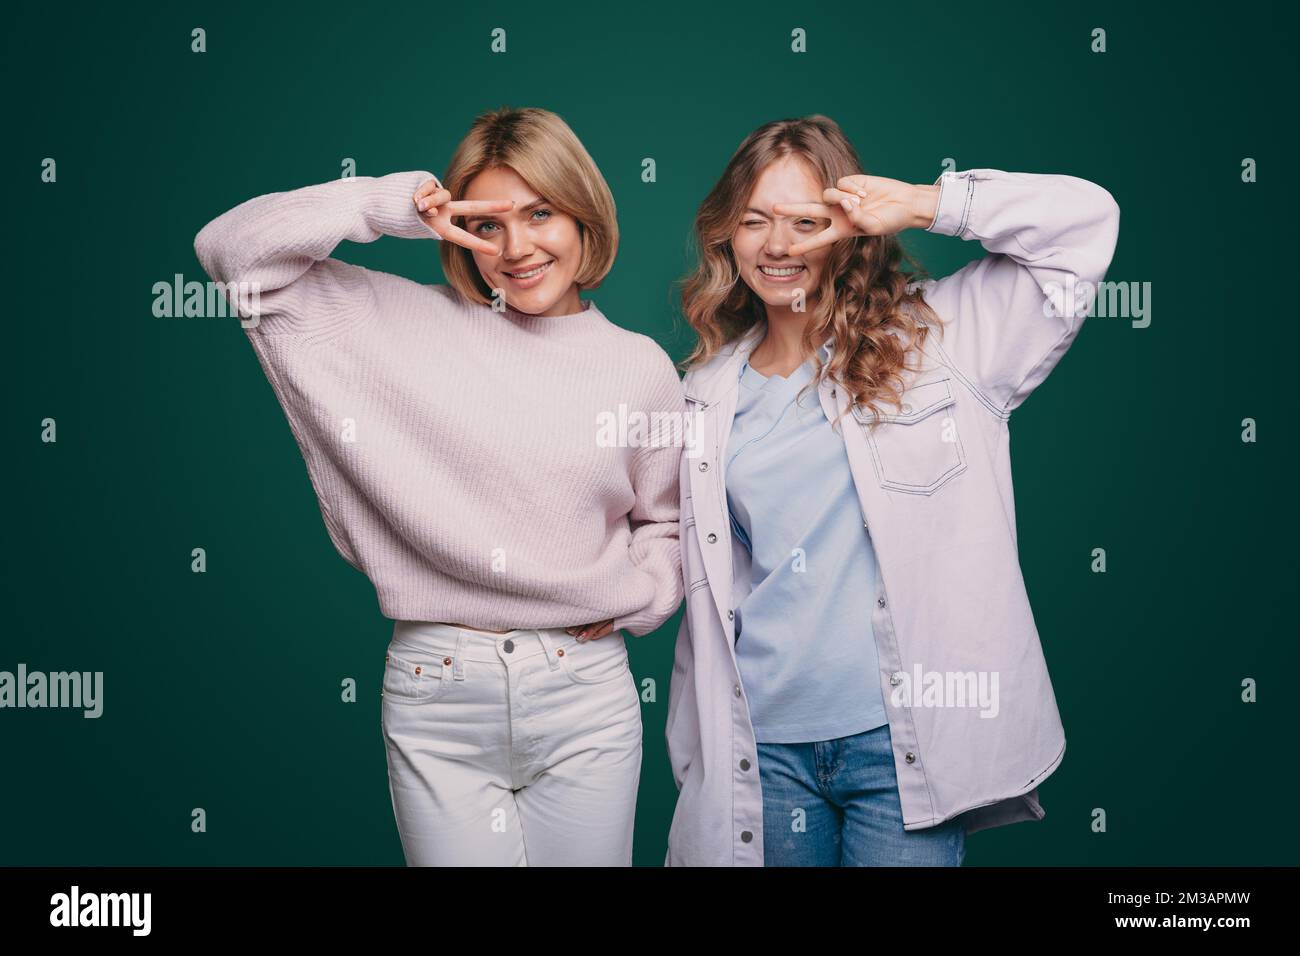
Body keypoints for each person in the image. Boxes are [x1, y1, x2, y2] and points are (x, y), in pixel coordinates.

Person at [193, 107, 686, 866]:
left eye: (541, 214)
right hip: (437, 689)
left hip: (583, 692)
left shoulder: (642, 367)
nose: (517, 248)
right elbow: (231, 250)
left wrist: (647, 594)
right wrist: (386, 206)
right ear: (454, 229)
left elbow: (667, 523)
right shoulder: (396, 321)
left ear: (585, 215)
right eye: (487, 225)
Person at [665, 115, 1120, 866]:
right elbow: (714, 599)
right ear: (725, 235)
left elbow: (1086, 228)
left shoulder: (944, 338)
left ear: (850, 229)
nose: (778, 246)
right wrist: (699, 764)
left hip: (901, 749)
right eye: (754, 222)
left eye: (806, 221)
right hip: (766, 755)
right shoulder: (705, 395)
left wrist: (924, 202)